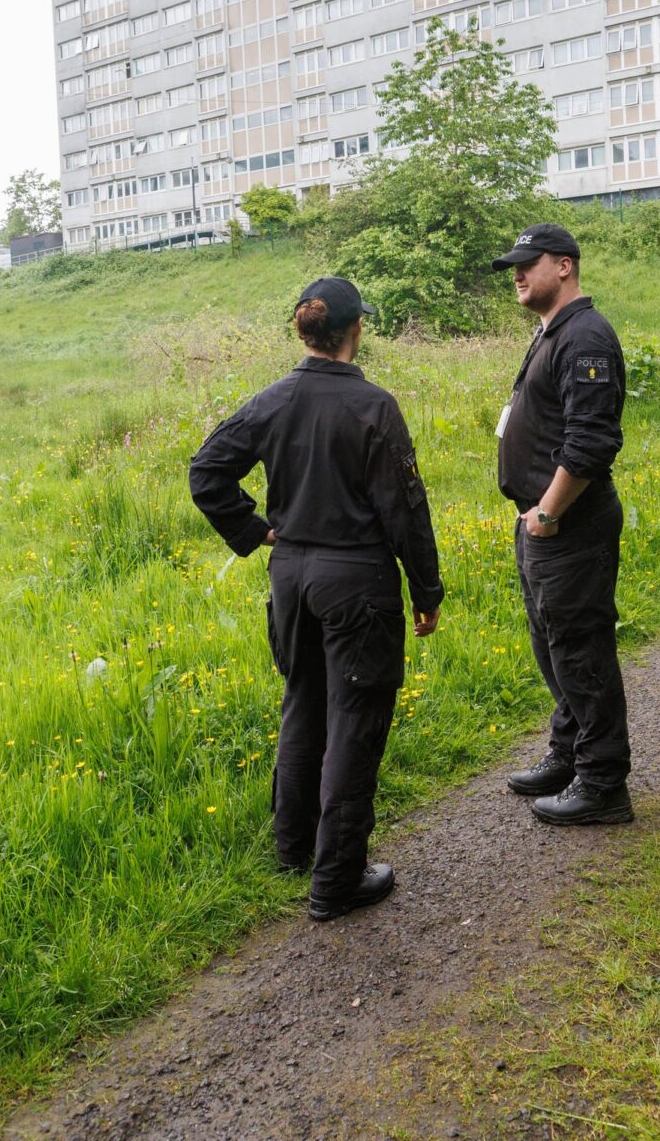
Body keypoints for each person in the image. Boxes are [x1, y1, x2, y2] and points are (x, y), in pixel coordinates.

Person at [189, 276, 443, 920]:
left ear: (303, 333)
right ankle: (337, 880)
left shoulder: (273, 400)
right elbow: (405, 508)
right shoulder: (373, 407)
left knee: (304, 703)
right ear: (357, 330)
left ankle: (294, 848)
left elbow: (207, 470)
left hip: (292, 579)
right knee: (355, 722)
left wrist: (256, 532)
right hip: (356, 582)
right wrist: (426, 588)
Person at [490, 224, 633, 825]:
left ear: (566, 267)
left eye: (530, 263)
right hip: (542, 524)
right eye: (514, 266)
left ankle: (602, 784)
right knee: (554, 645)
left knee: (580, 649)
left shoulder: (587, 338)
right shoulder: (553, 332)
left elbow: (592, 441)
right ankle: (570, 753)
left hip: (568, 524)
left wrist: (548, 513)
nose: (518, 274)